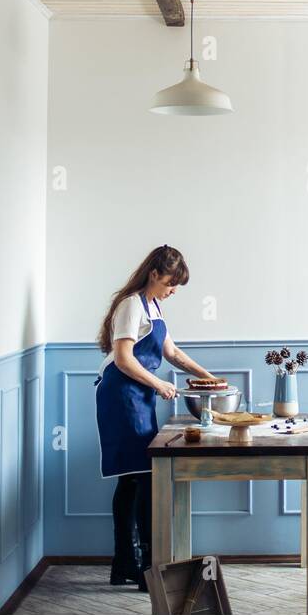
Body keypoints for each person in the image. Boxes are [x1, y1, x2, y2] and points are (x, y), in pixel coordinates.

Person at [93, 244, 215, 589]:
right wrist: (160, 383)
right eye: (170, 283)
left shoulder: (154, 305)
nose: (173, 291)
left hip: (138, 397)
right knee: (142, 478)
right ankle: (146, 568)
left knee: (133, 480)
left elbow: (172, 352)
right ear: (154, 274)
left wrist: (210, 378)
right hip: (120, 397)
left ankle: (125, 566)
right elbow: (122, 359)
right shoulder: (131, 305)